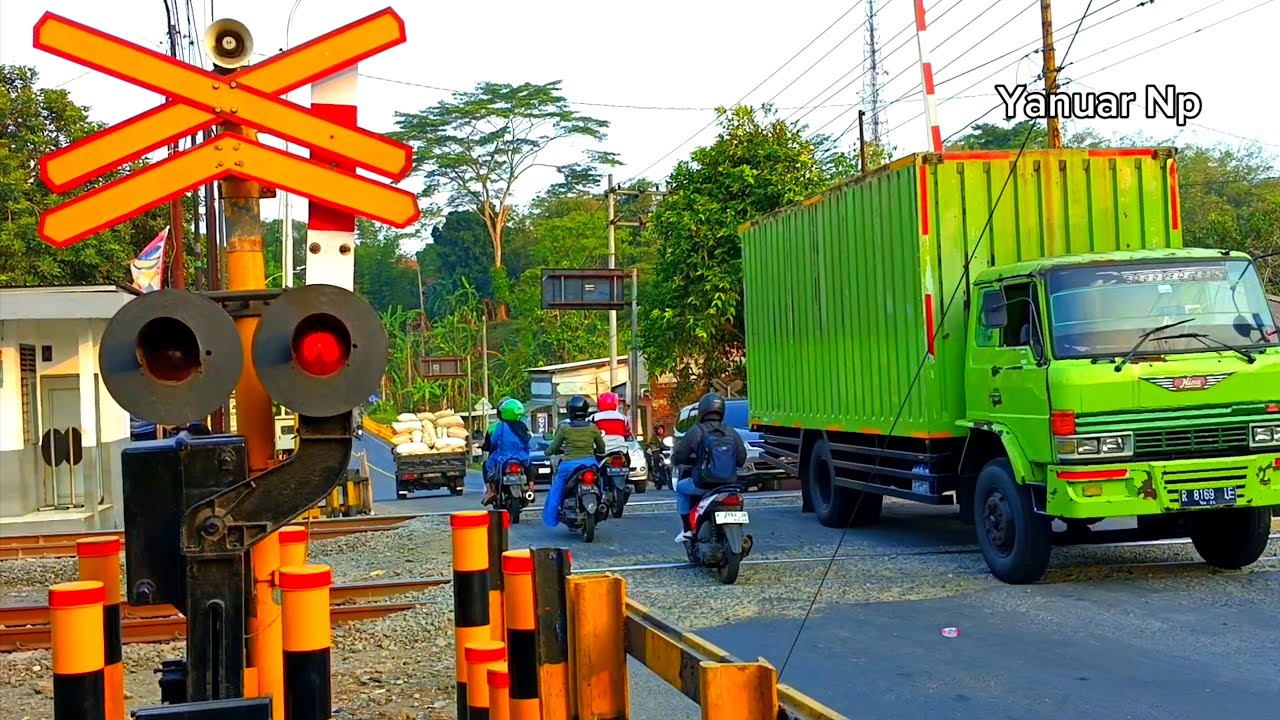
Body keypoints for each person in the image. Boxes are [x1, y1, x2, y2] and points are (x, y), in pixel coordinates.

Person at [670, 392, 746, 542]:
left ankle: (687, 530)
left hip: (704, 484)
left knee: (681, 488)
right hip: (730, 485)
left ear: (702, 410)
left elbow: (681, 455)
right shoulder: (731, 431)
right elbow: (741, 459)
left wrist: (675, 460)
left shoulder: (697, 431)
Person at [542, 395, 606, 528]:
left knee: (557, 487)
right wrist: (598, 451)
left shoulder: (565, 428)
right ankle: (603, 501)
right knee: (601, 481)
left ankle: (551, 518)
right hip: (590, 464)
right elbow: (601, 447)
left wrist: (547, 452)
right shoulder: (592, 427)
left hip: (569, 466)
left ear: (569, 411)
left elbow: (554, 447)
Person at [481, 398, 529, 505]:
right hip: (521, 457)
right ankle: (530, 488)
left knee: (487, 467)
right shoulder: (522, 426)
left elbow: (492, 442)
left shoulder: (498, 426)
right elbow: (527, 440)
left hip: (502, 457)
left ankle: (490, 491)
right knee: (530, 466)